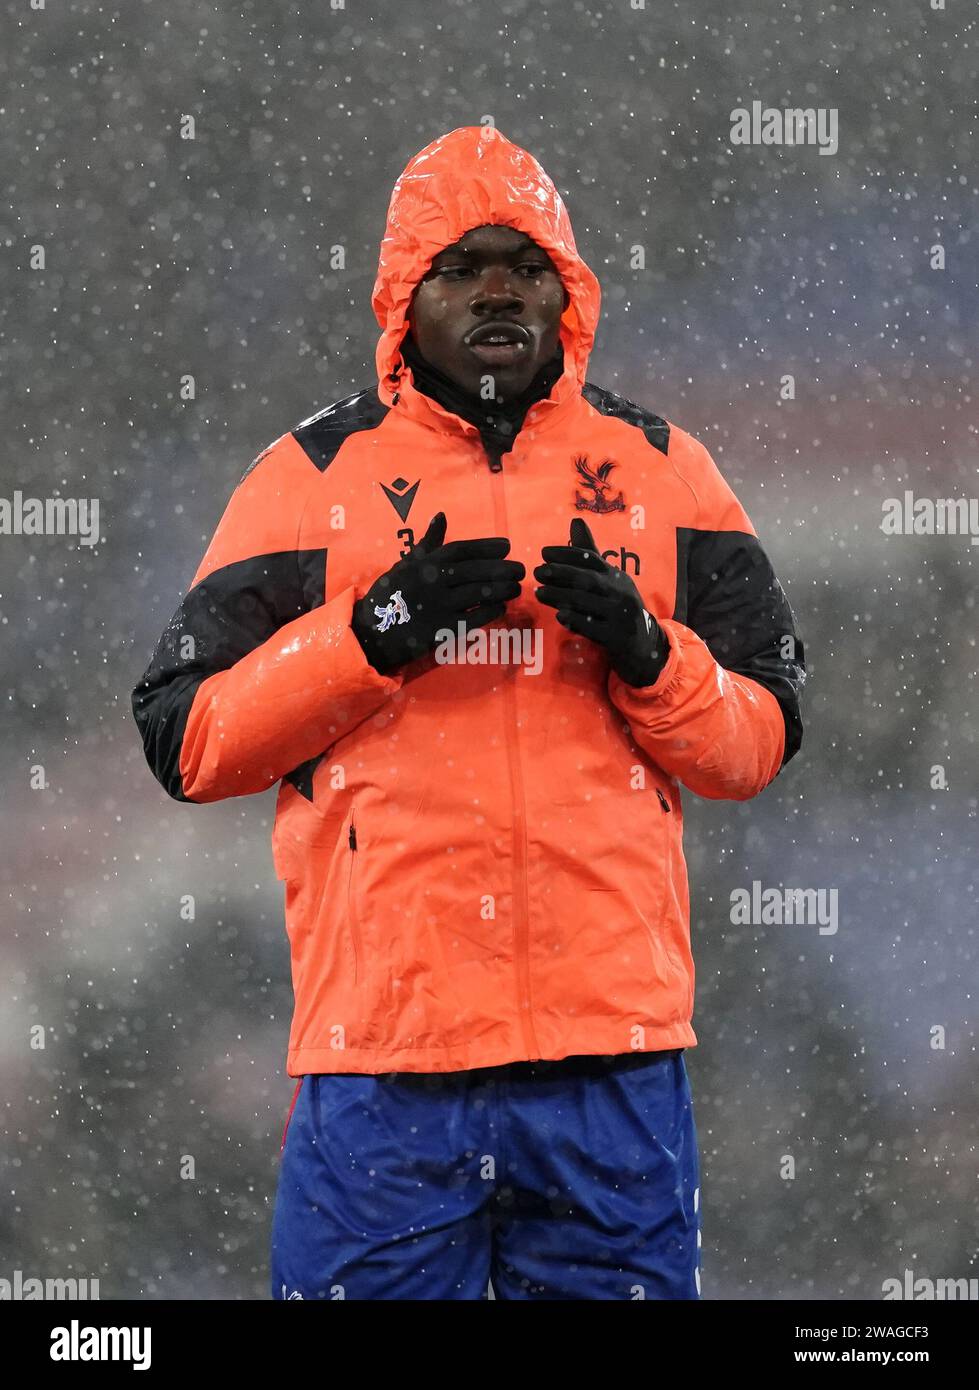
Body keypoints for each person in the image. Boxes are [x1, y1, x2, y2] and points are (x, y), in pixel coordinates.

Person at [131, 125, 806, 1300]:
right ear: (406, 296)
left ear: (568, 290)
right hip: (387, 1053)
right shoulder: (306, 478)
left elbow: (762, 736)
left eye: (525, 262)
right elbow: (184, 741)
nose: (498, 287)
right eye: (462, 265)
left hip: (610, 1052)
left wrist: (651, 655)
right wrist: (365, 640)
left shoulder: (665, 470)